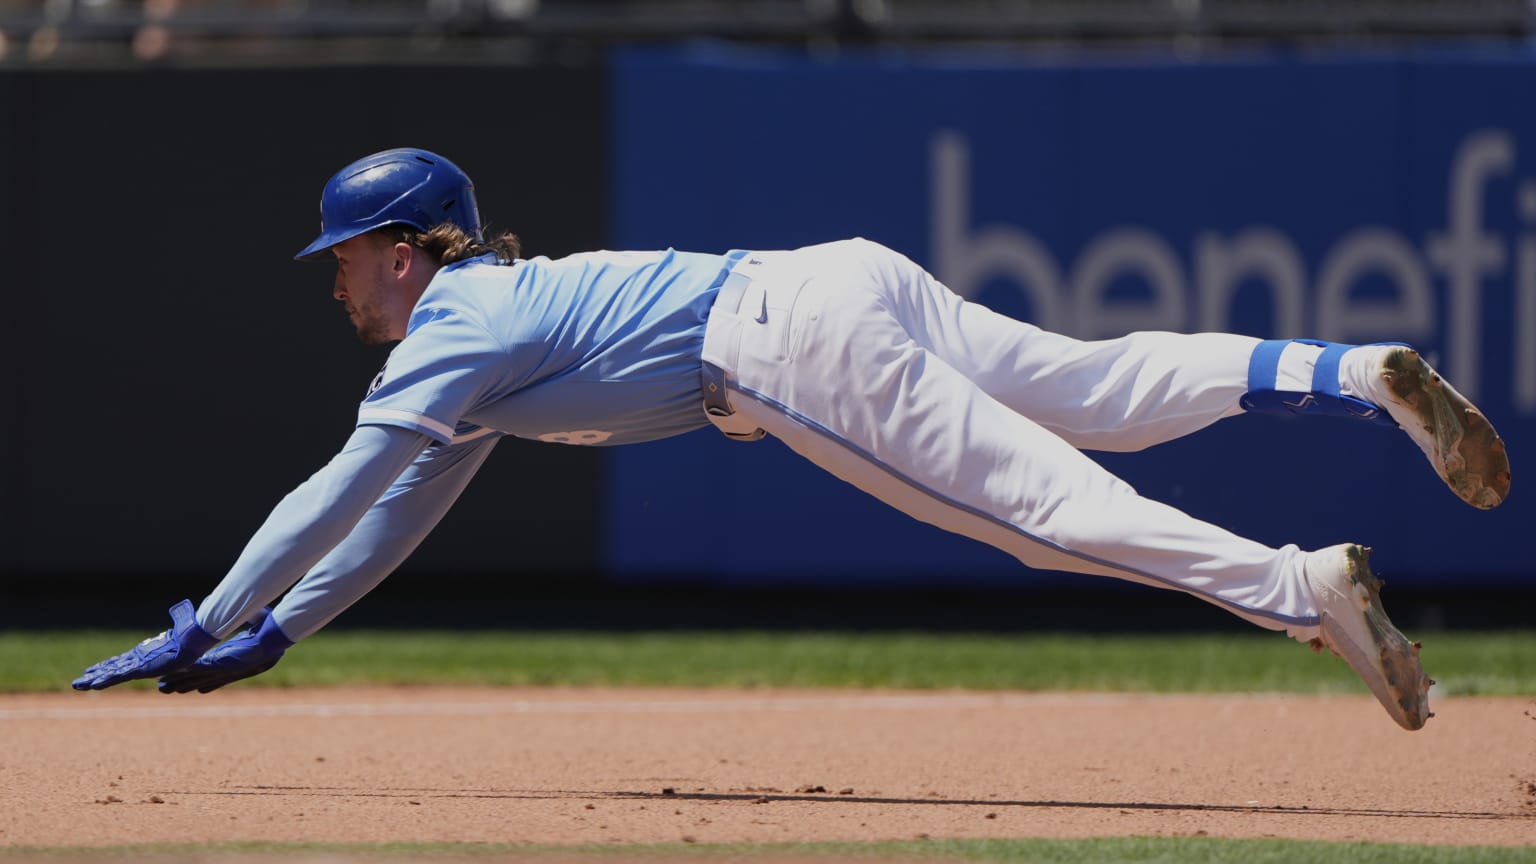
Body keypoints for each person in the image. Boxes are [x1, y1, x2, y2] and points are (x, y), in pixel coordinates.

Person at [71, 147, 1511, 731]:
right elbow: (395, 510)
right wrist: (287, 629)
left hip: (776, 347)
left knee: (1041, 509)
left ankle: (1301, 590)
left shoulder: (451, 324)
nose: (334, 282)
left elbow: (339, 485)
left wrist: (220, 608)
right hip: (833, 275)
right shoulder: (476, 342)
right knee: (1091, 380)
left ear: (399, 249)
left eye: (341, 258)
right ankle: (1351, 370)